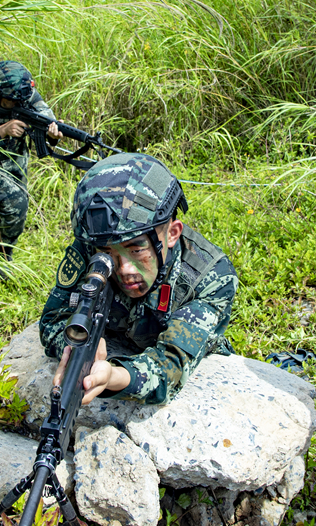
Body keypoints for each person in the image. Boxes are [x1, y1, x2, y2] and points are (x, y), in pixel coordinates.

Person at [39, 153, 238, 405]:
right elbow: (52, 320)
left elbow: (170, 365)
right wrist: (75, 349)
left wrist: (114, 377)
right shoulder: (93, 247)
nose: (124, 269)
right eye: (109, 253)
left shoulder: (209, 278)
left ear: (172, 234)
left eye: (136, 249)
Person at [0, 60, 62, 264]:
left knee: (17, 214)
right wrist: (2, 131)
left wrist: (53, 134)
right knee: (16, 204)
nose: (18, 105)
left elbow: (47, 118)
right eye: (11, 102)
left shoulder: (23, 93)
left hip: (15, 161)